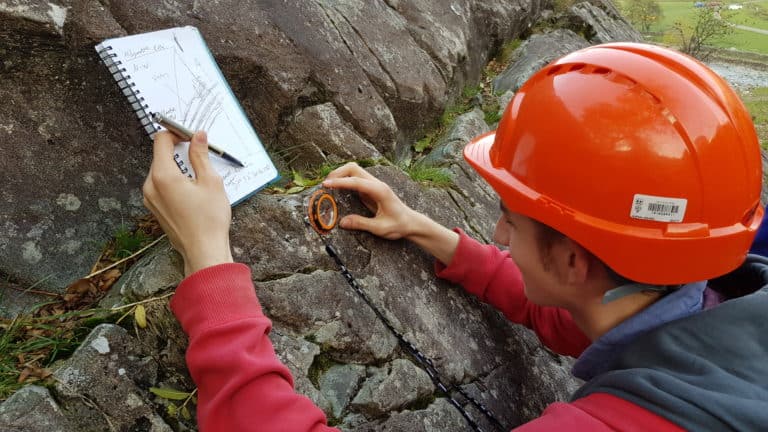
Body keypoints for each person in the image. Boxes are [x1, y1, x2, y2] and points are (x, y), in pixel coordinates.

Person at [142, 43, 768, 431]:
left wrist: (208, 261)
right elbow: (572, 313)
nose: (496, 229)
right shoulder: (711, 313)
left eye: (511, 221)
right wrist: (425, 229)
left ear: (575, 260)